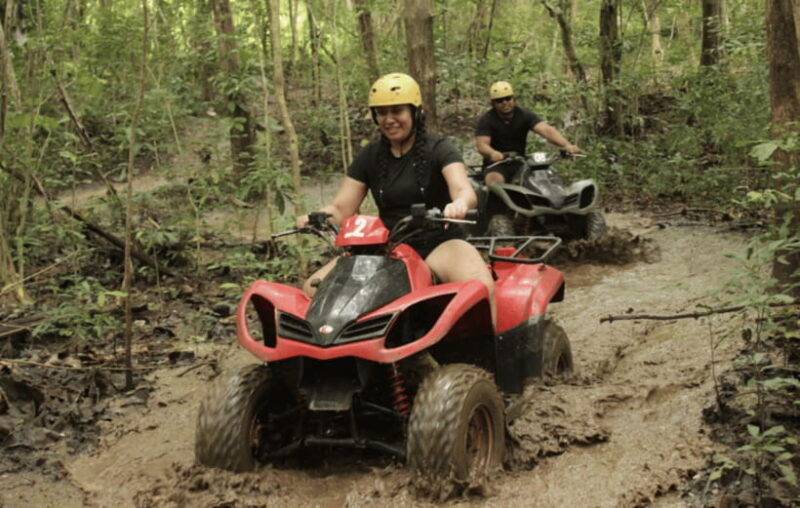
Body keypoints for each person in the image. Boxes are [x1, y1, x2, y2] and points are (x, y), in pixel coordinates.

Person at [296, 72, 496, 326]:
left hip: (438, 241)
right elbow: (341, 208)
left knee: (480, 286)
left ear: (415, 112)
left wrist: (458, 205)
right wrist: (315, 218)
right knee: (313, 288)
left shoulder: (440, 148)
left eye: (397, 111)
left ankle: (493, 362)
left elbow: (463, 190)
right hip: (386, 249)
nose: (389, 119)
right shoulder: (371, 156)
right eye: (381, 113)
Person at [474, 80, 581, 185]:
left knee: (545, 179)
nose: (505, 103)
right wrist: (493, 153)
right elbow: (482, 144)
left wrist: (567, 145)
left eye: (508, 98)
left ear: (513, 99)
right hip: (496, 164)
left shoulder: (524, 115)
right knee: (494, 182)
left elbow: (546, 130)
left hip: (521, 163)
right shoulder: (487, 119)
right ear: (493, 103)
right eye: (499, 100)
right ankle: (495, 202)